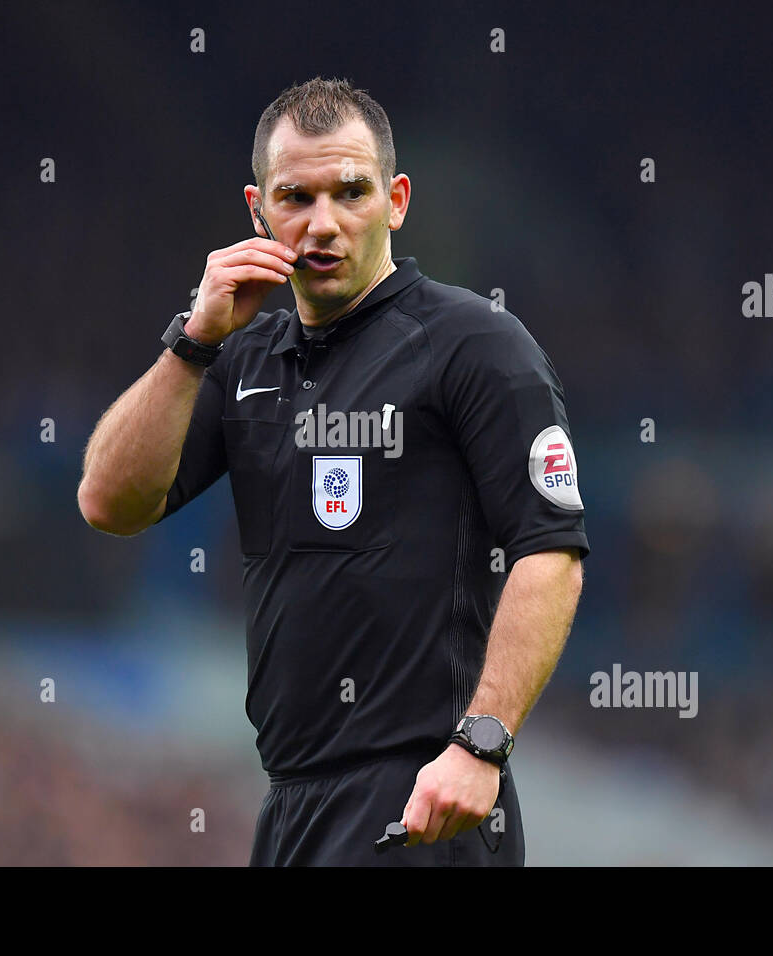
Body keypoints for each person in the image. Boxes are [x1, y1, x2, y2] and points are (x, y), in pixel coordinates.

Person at [78, 76, 589, 866]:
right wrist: (191, 344)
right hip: (290, 805)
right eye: (297, 197)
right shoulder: (239, 357)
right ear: (258, 211)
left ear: (397, 200)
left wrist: (481, 744)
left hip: (422, 797)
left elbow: (549, 553)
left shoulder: (475, 345)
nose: (324, 224)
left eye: (351, 192)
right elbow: (110, 502)